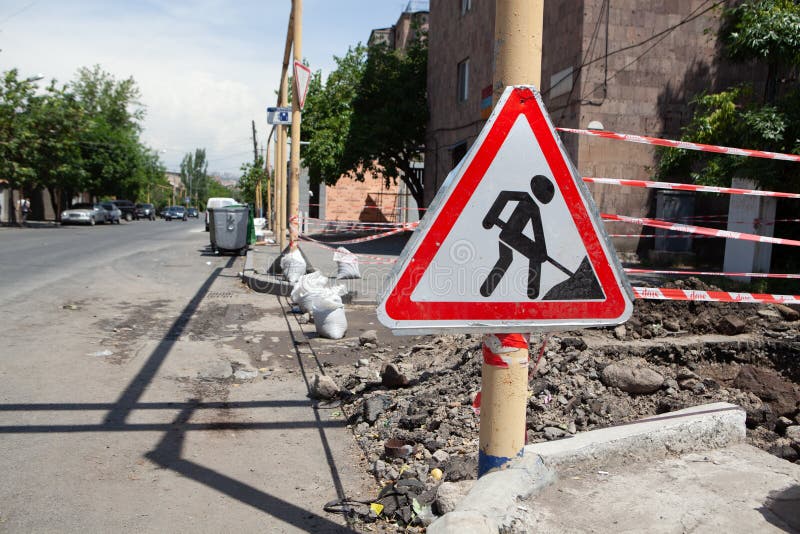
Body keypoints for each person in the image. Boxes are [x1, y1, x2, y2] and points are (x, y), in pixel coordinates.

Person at [479, 174, 555, 299]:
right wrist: (490, 218)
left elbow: (538, 230)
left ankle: (486, 290)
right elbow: (504, 196)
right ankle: (533, 291)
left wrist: (491, 218)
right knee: (533, 256)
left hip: (510, 235)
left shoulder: (531, 204)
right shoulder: (528, 200)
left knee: (506, 259)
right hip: (511, 236)